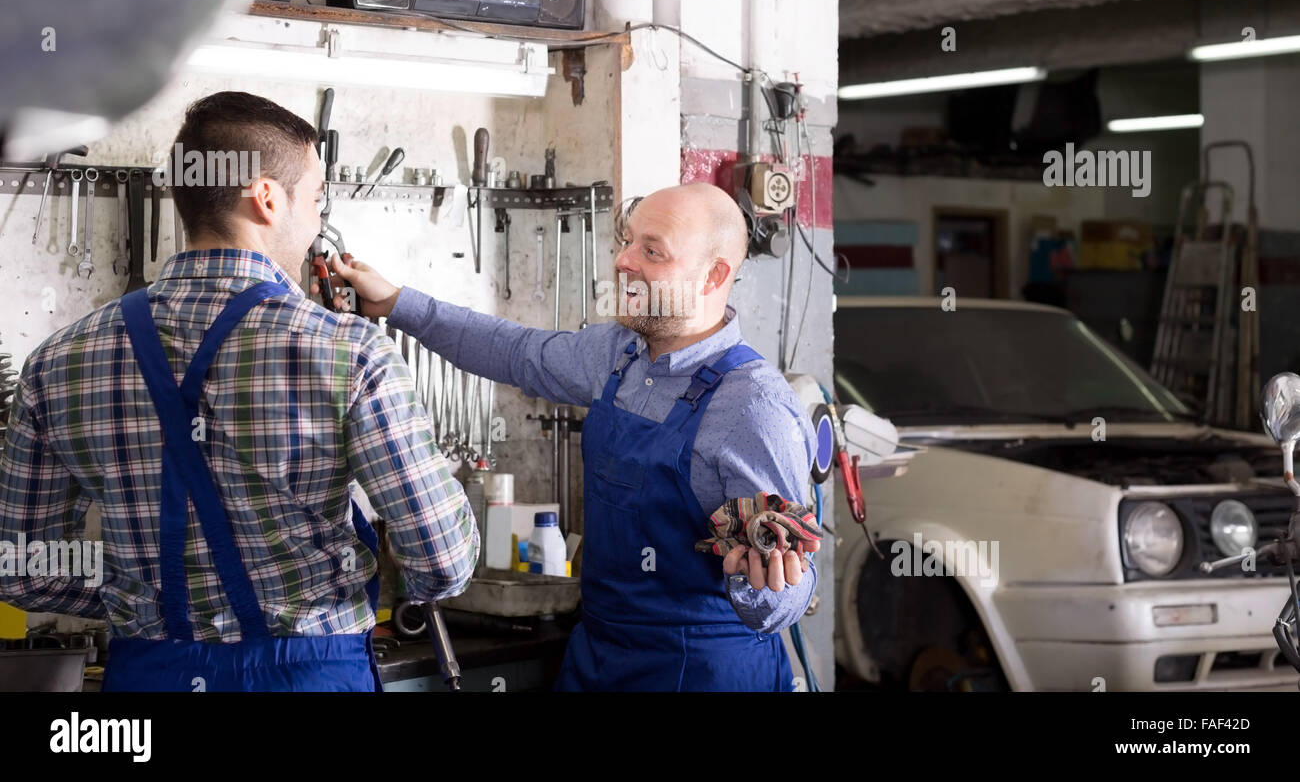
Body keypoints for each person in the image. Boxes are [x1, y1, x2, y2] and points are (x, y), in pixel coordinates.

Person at [0, 91, 478, 691]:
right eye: (318, 197)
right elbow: (441, 561)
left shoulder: (58, 361)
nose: (318, 220)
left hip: (150, 675)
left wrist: (142, 599)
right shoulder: (350, 352)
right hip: (308, 673)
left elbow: (22, 571)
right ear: (268, 198)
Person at [323, 182, 818, 691]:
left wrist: (759, 583)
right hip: (599, 656)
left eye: (652, 251)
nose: (624, 261)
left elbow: (789, 595)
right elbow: (515, 351)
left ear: (714, 275)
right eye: (627, 242)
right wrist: (398, 303)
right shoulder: (618, 355)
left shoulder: (754, 408)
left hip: (701, 670)